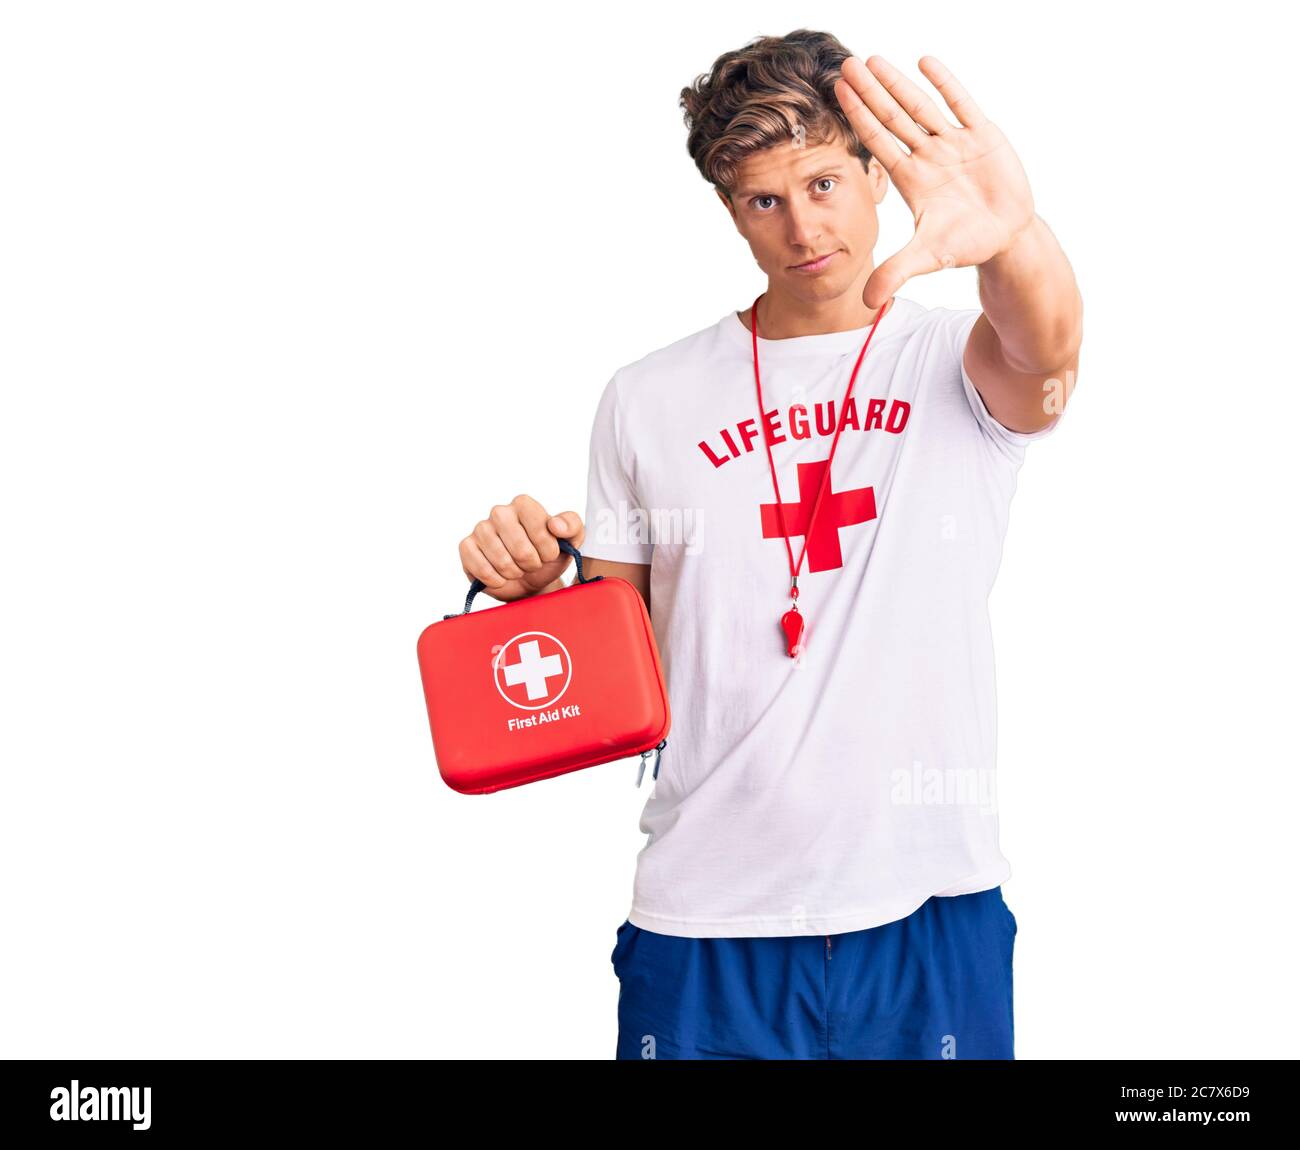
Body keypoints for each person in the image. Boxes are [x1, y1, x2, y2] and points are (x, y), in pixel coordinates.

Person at [456, 29, 1081, 1059]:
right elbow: (619, 676)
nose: (804, 227)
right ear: (727, 209)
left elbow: (1045, 347)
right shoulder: (645, 398)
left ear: (878, 171)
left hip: (927, 906)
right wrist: (530, 595)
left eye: (827, 182)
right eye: (764, 200)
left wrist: (1015, 237)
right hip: (706, 917)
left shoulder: (951, 359)